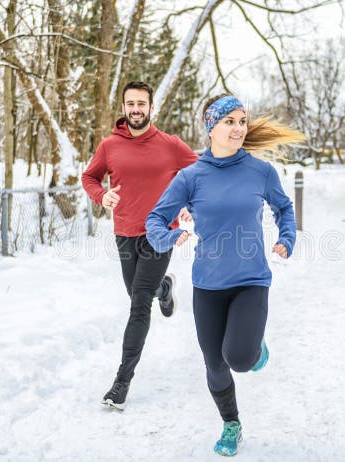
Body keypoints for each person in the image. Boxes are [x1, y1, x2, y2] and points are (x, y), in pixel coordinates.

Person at [145, 94, 303, 456]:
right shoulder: (191, 177)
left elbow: (283, 208)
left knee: (240, 358)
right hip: (208, 285)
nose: (238, 128)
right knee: (215, 364)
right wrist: (171, 235)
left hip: (251, 280)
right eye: (230, 121)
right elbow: (153, 221)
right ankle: (231, 424)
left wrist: (287, 238)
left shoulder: (260, 171)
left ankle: (252, 350)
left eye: (242, 121)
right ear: (211, 127)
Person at [82, 81, 198, 411]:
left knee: (138, 305)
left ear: (151, 108)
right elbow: (89, 177)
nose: (136, 109)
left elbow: (201, 172)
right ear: (124, 107)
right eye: (130, 103)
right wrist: (102, 196)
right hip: (125, 230)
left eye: (141, 103)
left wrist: (190, 199)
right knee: (136, 292)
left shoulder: (171, 145)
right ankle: (164, 288)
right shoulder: (109, 146)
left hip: (161, 232)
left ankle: (121, 382)